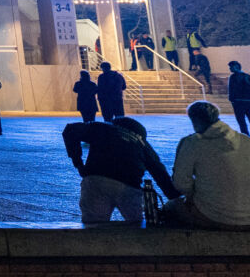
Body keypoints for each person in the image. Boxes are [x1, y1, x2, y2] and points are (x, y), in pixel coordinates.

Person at [61, 116, 179, 225]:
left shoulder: (102, 127)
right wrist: (177, 199)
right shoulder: (143, 144)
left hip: (96, 179)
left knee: (93, 226)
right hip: (129, 185)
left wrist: (78, 163)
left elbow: (70, 130)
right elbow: (160, 174)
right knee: (136, 227)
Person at [162, 101, 250, 229]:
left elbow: (181, 183)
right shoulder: (245, 140)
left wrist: (195, 194)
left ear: (194, 120)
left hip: (213, 215)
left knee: (170, 208)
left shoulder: (192, 143)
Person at [228, 61, 250, 135]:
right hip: (247, 101)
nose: (230, 68)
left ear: (236, 67)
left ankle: (246, 137)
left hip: (239, 102)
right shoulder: (247, 76)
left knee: (241, 121)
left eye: (231, 67)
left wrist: (232, 100)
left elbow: (231, 89)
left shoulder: (233, 77)